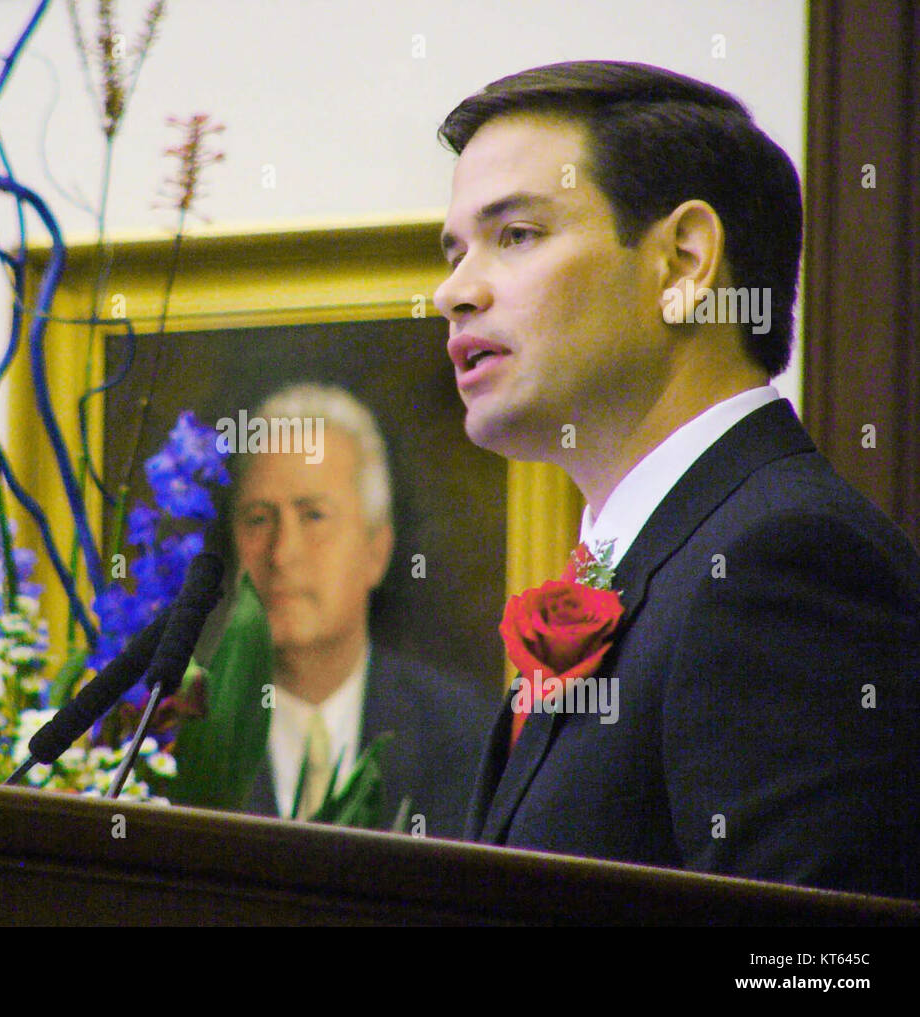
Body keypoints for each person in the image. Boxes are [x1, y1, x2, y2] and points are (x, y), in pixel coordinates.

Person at [434, 60, 920, 898]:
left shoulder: (784, 562)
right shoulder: (659, 556)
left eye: (515, 235)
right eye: (453, 251)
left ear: (686, 261)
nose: (453, 291)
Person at [228, 383, 486, 837]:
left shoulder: (468, 736)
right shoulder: (177, 732)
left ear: (375, 550)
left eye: (314, 516)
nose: (282, 553)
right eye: (258, 518)